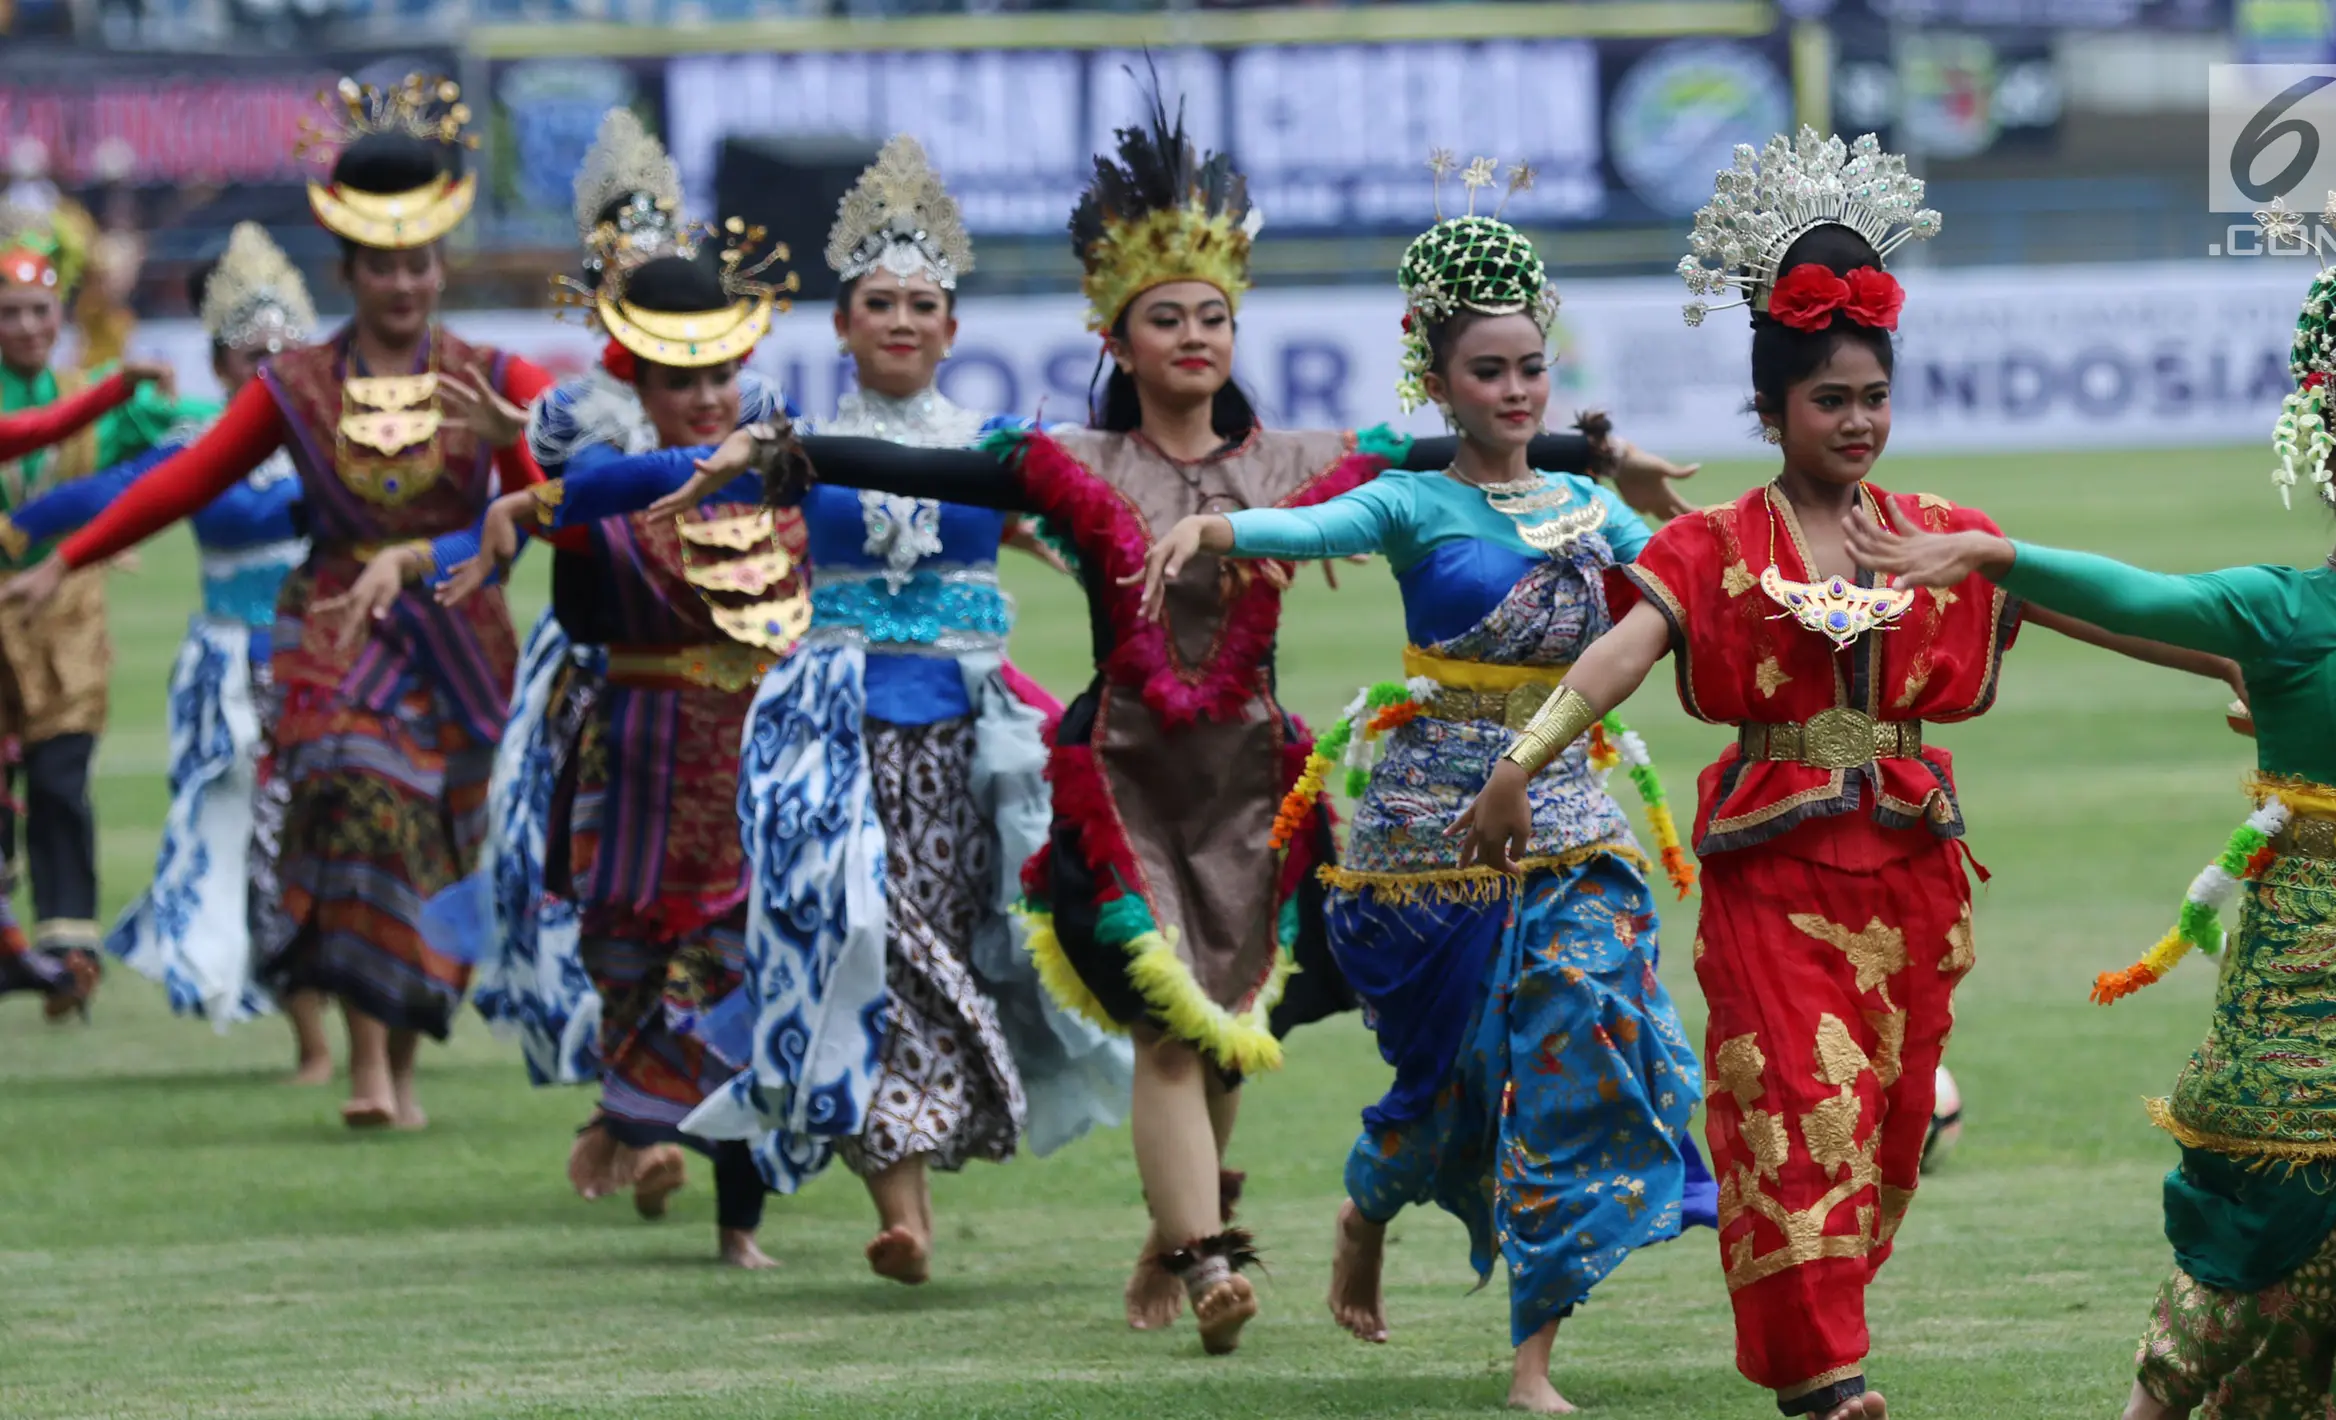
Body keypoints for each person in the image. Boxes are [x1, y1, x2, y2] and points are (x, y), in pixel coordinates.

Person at [653, 100, 1697, 1353]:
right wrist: (787, 450)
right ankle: (1207, 1257)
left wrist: (1600, 455)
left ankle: (1174, 1223)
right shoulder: (1071, 458)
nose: (1193, 335)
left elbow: (1469, 440)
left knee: (1232, 1028)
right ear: (1119, 335)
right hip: (1130, 773)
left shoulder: (1301, 462)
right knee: (1166, 1023)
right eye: (1166, 317)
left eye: (1212, 316)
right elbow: (928, 469)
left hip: (1255, 782)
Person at [1451, 129, 2242, 1420]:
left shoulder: (1938, 534)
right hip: (1772, 865)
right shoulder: (1714, 545)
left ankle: (1813, 1333)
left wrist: (2216, 664)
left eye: (1872, 395)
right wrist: (1517, 763)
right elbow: (1619, 651)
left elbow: (2081, 604)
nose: (1858, 421)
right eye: (1830, 400)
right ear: (1771, 409)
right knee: (1787, 1106)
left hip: (1912, 871)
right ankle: (1825, 1379)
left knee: (1877, 1126)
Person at [452, 134, 1133, 1285]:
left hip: (975, 748)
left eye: (924, 302)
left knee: (963, 942)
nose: (903, 320)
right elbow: (661, 476)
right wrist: (535, 498)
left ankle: (898, 1143)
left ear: (954, 329)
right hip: (834, 738)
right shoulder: (792, 447)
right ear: (843, 323)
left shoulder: (1003, 451)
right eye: (880, 301)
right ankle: (896, 1202)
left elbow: (1100, 532)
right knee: (855, 937)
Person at [1843, 199, 2336, 1420]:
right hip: (2304, 1009)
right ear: (2326, 457)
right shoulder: (2282, 612)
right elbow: (2139, 593)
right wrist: (1991, 560)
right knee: (2256, 1295)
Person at [1135, 163, 1715, 1412]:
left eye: (1529, 369)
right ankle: (1369, 1200)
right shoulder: (1409, 500)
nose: (1513, 392)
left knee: (1578, 1033)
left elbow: (1687, 583)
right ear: (1438, 382)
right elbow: (1303, 528)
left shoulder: (1581, 505)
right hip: (1429, 822)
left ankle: (1531, 1354)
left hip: (1564, 796)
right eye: (1486, 373)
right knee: (1450, 1071)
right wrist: (1211, 531)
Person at [4, 74, 558, 1130]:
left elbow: (557, 496)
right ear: (348, 269)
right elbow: (184, 479)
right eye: (384, 265)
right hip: (335, 629)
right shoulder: (296, 385)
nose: (406, 281)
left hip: (457, 631)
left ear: (441, 264)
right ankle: (364, 1071)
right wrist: (69, 555)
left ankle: (399, 1055)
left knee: (436, 844)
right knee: (353, 811)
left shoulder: (494, 373)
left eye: (422, 261)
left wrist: (510, 445)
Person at [443, 106, 792, 1215]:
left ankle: (675, 1144)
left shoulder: (781, 459)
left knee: (733, 955)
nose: (704, 393)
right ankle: (635, 1107)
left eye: (719, 373)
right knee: (624, 950)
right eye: (678, 375)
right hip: (630, 743)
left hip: (746, 749)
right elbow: (562, 513)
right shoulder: (583, 446)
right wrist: (520, 496)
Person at [2, 223, 330, 1074]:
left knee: (335, 836)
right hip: (229, 675)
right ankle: (310, 1038)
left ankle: (365, 1032)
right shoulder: (201, 446)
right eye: (246, 357)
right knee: (248, 840)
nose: (265, 370)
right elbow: (107, 493)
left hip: (328, 665)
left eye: (280, 353)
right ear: (221, 366)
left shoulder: (339, 441)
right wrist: (28, 537)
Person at [0, 190, 184, 999]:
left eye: (40, 311)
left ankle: (69, 941)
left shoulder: (94, 389)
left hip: (67, 618)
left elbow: (175, 437)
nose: (27, 328)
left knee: (61, 776)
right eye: (9, 313)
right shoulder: (67, 400)